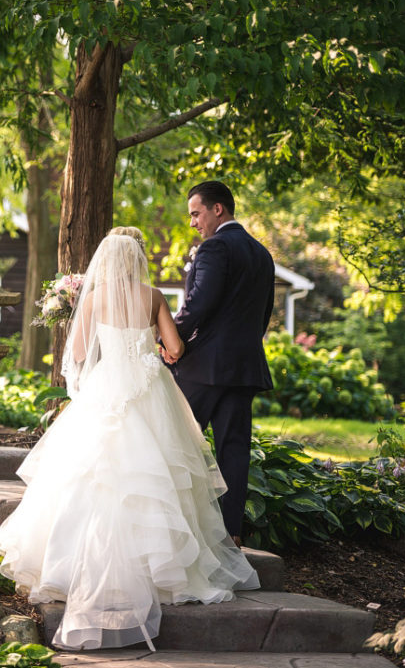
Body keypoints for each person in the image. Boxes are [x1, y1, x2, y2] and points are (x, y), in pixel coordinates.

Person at [0, 226, 259, 651]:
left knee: (93, 473)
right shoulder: (153, 296)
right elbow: (175, 348)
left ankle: (66, 567)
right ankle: (164, 568)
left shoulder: (94, 299)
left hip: (108, 386)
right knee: (162, 471)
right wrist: (158, 348)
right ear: (136, 260)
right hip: (151, 387)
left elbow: (78, 354)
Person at [166, 181, 275, 547]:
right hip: (244, 368)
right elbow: (263, 315)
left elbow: (198, 303)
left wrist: (172, 341)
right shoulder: (262, 254)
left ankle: (174, 529)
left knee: (176, 441)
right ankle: (231, 535)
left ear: (218, 209)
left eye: (196, 213)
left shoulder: (215, 247)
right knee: (234, 451)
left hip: (204, 368)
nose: (193, 223)